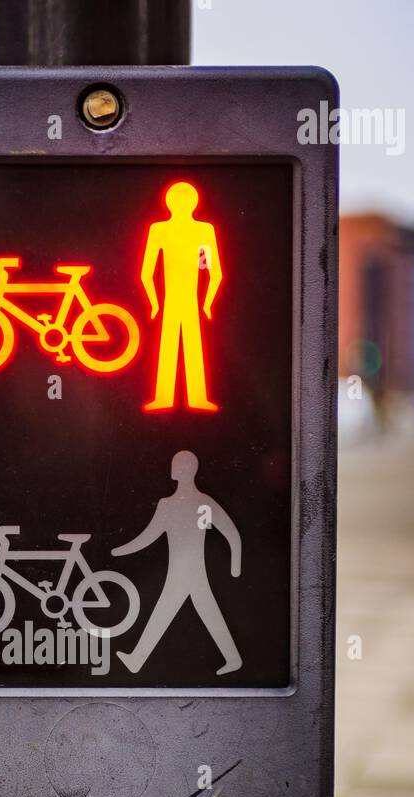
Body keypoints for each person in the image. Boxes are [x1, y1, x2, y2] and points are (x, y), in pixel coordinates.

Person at [113, 450, 242, 675]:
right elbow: (231, 534)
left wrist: (236, 566)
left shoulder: (196, 504)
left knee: (173, 611)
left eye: (176, 464)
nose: (172, 468)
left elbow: (230, 532)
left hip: (187, 572)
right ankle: (233, 659)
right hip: (184, 572)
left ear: (183, 470)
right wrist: (122, 550)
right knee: (192, 611)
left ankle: (136, 659)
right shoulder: (187, 503)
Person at [141, 181, 222, 412]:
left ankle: (176, 398)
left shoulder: (164, 230)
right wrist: (207, 303)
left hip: (177, 299)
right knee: (186, 345)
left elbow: (146, 274)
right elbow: (214, 273)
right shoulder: (200, 230)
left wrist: (154, 303)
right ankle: (189, 398)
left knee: (173, 346)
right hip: (185, 299)